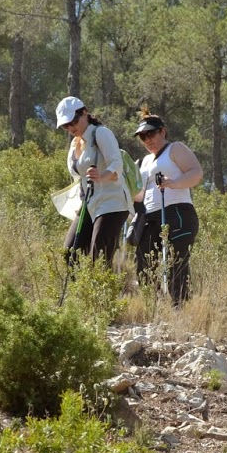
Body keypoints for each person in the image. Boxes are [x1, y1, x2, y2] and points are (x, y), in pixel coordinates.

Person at [134, 114, 203, 305]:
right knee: (143, 261)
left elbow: (196, 173)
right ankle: (154, 306)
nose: (147, 140)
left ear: (162, 131)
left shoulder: (175, 148)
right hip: (149, 216)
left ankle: (180, 308)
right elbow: (139, 193)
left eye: (151, 134)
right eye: (143, 137)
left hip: (177, 212)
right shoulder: (144, 162)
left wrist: (173, 183)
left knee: (176, 261)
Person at [55, 96, 129, 268]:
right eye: (66, 125)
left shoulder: (100, 133)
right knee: (70, 253)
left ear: (85, 112)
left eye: (74, 121)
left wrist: (101, 176)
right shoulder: (74, 145)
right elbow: (77, 178)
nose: (71, 127)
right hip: (89, 204)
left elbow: (117, 164)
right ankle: (80, 294)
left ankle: (102, 294)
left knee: (100, 257)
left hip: (112, 203)